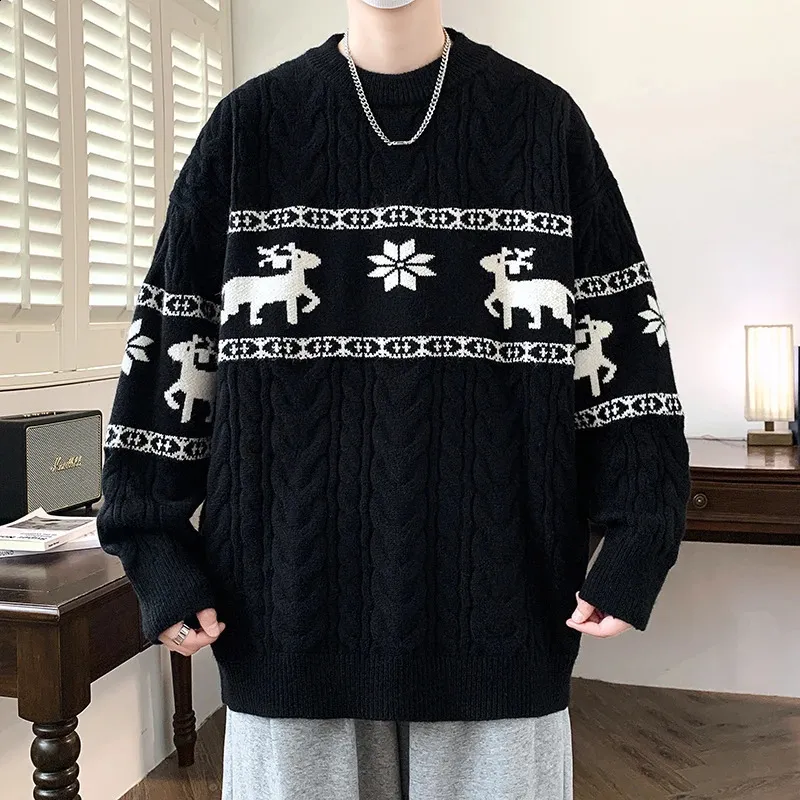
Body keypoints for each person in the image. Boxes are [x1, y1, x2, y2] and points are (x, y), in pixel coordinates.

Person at [96, 0, 691, 797]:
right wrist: (154, 546)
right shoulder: (248, 129)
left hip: (501, 619)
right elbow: (170, 344)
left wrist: (640, 533)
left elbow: (622, 340)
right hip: (285, 619)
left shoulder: (545, 125)